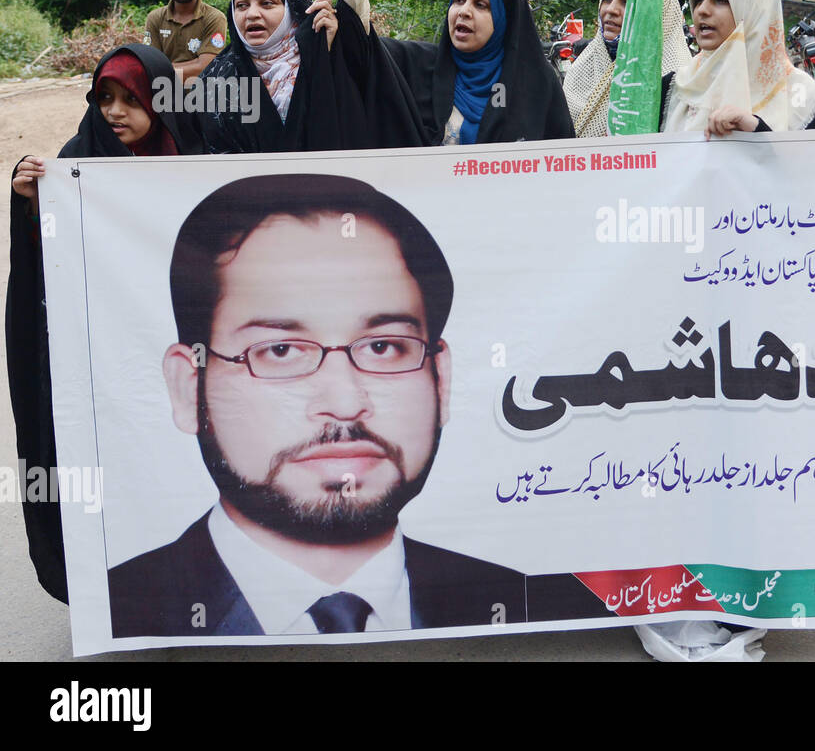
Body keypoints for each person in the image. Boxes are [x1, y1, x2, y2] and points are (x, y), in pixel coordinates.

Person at [107, 173, 604, 636]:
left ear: (441, 378)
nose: (345, 403)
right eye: (279, 351)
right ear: (187, 387)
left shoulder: (529, 599)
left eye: (384, 347)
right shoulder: (122, 608)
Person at [637, 0, 815, 662]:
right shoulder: (677, 89)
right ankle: (682, 581)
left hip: (754, 314)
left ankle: (740, 586)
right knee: (682, 450)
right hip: (676, 304)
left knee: (744, 457)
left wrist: (756, 128)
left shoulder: (795, 94)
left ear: (754, 8)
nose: (706, 12)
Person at [7, 43, 207, 603]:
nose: (115, 112)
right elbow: (48, 268)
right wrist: (29, 205)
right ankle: (121, 595)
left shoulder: (198, 154)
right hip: (110, 366)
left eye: (131, 99)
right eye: (104, 99)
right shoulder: (76, 161)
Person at [196, 0, 429, 153]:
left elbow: (358, 45)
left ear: (291, 11)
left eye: (267, 3)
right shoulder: (216, 78)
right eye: (241, 6)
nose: (252, 14)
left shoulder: (323, 50)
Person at [381, 0, 575, 145]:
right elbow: (362, 49)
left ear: (504, 19)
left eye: (481, 5)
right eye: (458, 0)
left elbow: (563, 163)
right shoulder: (418, 65)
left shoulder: (537, 83)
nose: (464, 11)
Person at [660, 0, 815, 138]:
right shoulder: (675, 86)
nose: (701, 10)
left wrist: (755, 128)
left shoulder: (800, 96)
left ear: (756, 10)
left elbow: (807, 163)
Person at [563, 0, 693, 138]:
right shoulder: (581, 68)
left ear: (655, 12)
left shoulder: (677, 80)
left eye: (627, 2)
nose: (611, 10)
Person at [144, 0, 228, 83]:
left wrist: (162, 71)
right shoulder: (155, 18)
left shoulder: (214, 18)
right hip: (162, 95)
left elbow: (207, 67)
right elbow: (149, 65)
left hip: (200, 97)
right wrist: (193, 64)